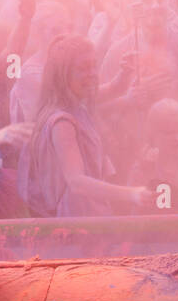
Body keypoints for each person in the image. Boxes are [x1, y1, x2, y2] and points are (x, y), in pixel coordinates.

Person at [17, 35, 154, 217]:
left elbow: (109, 90)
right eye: (82, 68)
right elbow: (77, 182)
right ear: (62, 76)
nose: (92, 74)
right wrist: (131, 194)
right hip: (75, 220)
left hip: (88, 211)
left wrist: (125, 73)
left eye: (93, 66)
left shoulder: (76, 104)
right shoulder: (62, 123)